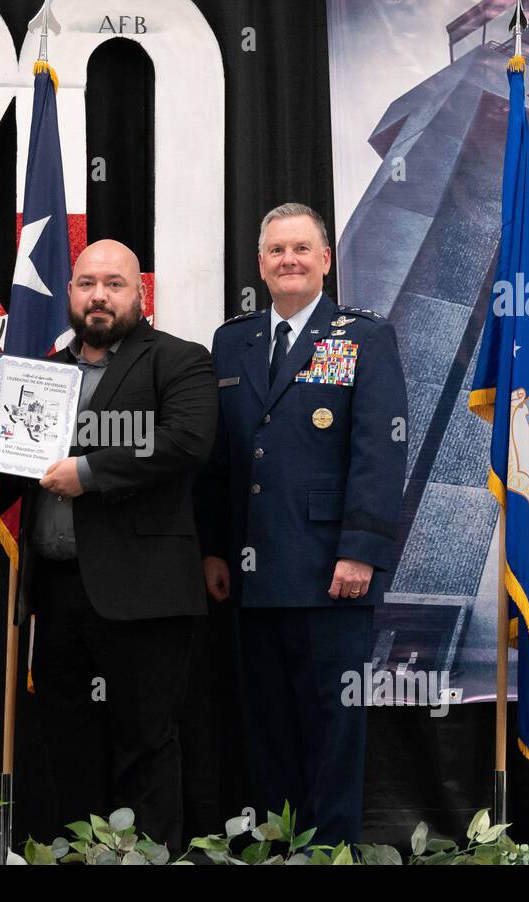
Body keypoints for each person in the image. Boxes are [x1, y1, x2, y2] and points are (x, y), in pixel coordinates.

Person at [0, 239, 217, 849]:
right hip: (55, 593)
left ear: (141, 294)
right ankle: (76, 857)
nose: (99, 296)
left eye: (114, 284)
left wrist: (88, 473)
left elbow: (186, 442)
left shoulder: (180, 360)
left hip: (144, 592)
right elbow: (16, 470)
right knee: (64, 739)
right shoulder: (42, 370)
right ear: (71, 293)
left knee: (146, 742)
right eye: (86, 284)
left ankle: (148, 859)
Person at [196, 202, 407, 845]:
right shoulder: (232, 341)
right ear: (260, 265)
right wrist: (213, 551)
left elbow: (381, 448)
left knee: (334, 724)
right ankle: (279, 849)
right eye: (276, 251)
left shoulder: (363, 336)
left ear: (326, 259)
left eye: (301, 249)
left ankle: (331, 851)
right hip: (253, 571)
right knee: (266, 723)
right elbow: (219, 459)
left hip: (330, 570)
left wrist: (361, 551)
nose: (289, 260)